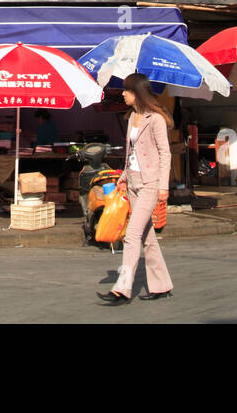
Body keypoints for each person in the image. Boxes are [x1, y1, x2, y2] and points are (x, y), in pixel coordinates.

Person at [98, 74, 173, 305]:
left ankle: (122, 288)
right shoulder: (132, 117)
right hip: (133, 182)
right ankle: (161, 286)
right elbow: (130, 154)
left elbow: (165, 153)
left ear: (137, 92)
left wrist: (163, 187)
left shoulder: (156, 119)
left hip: (150, 184)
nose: (123, 94)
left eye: (127, 90)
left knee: (131, 235)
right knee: (148, 238)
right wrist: (123, 176)